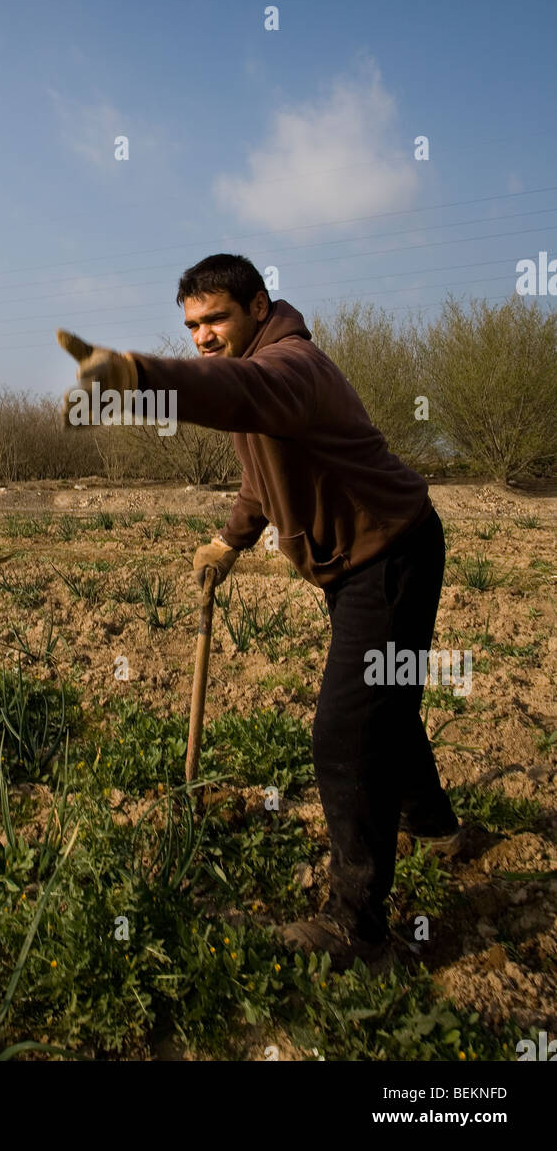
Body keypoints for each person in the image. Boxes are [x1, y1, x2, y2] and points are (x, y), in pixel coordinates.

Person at [57, 252, 466, 972]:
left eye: (215, 318)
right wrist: (227, 540)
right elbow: (258, 478)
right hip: (363, 558)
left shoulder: (290, 365)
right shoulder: (257, 383)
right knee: (386, 703)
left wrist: (136, 376)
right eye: (190, 326)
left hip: (389, 553)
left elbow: (237, 392)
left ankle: (358, 929)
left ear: (256, 305)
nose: (203, 337)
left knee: (348, 732)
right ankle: (434, 828)